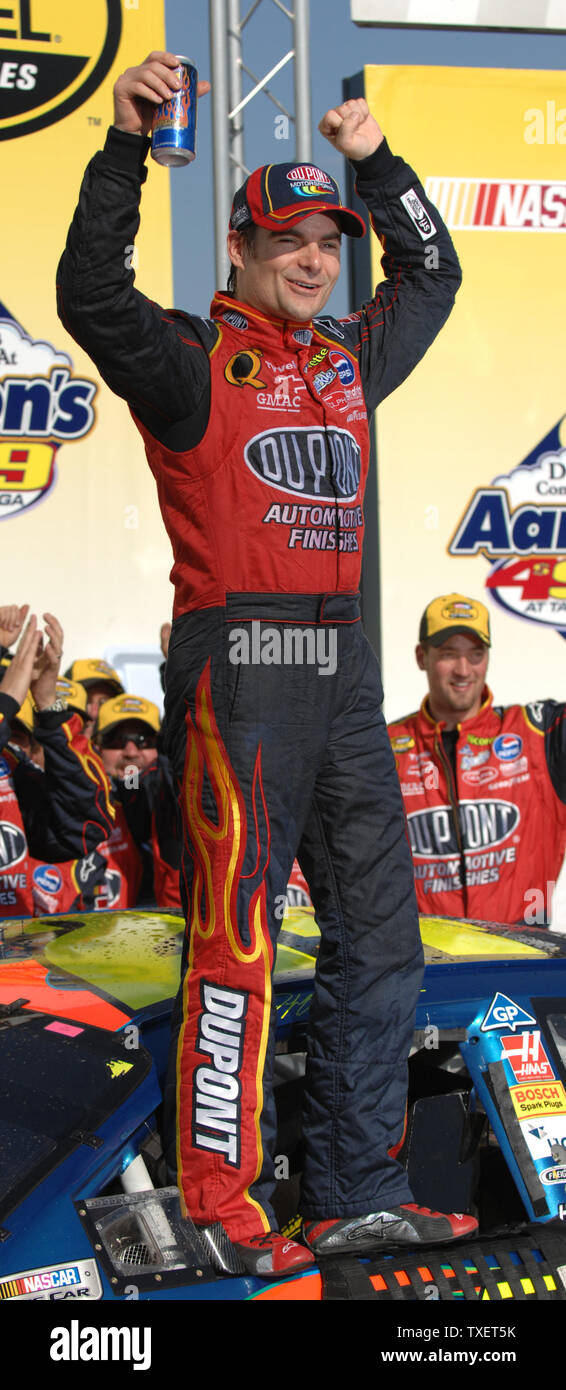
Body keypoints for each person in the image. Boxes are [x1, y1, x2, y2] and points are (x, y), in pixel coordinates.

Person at [57, 50, 477, 1275]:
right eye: (287, 237)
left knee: (383, 940)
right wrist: (125, 146)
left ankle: (354, 1190)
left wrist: (379, 163)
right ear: (238, 249)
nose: (312, 258)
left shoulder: (349, 359)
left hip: (344, 678)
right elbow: (89, 293)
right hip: (237, 671)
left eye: (327, 241)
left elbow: (435, 270)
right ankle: (217, 1207)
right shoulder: (190, 360)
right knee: (233, 943)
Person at [388, 593, 566, 926]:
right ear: (421, 656)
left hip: (524, 961)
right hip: (427, 967)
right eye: (448, 654)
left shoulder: (537, 734)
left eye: (476, 654)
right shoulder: (384, 747)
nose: (463, 669)